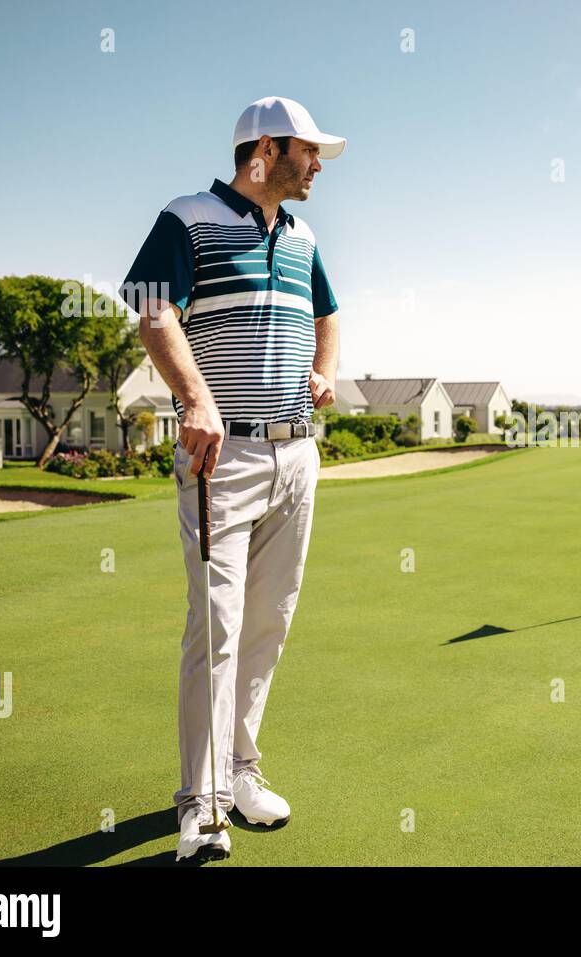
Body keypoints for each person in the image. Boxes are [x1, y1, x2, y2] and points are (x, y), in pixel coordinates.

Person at [118, 96, 345, 862]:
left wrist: (324, 370)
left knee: (268, 624)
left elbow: (328, 313)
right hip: (225, 459)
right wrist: (196, 399)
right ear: (269, 148)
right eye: (310, 151)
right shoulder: (186, 218)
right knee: (216, 630)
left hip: (297, 457)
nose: (318, 166)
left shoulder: (303, 234)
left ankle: (243, 771)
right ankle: (202, 805)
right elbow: (154, 315)